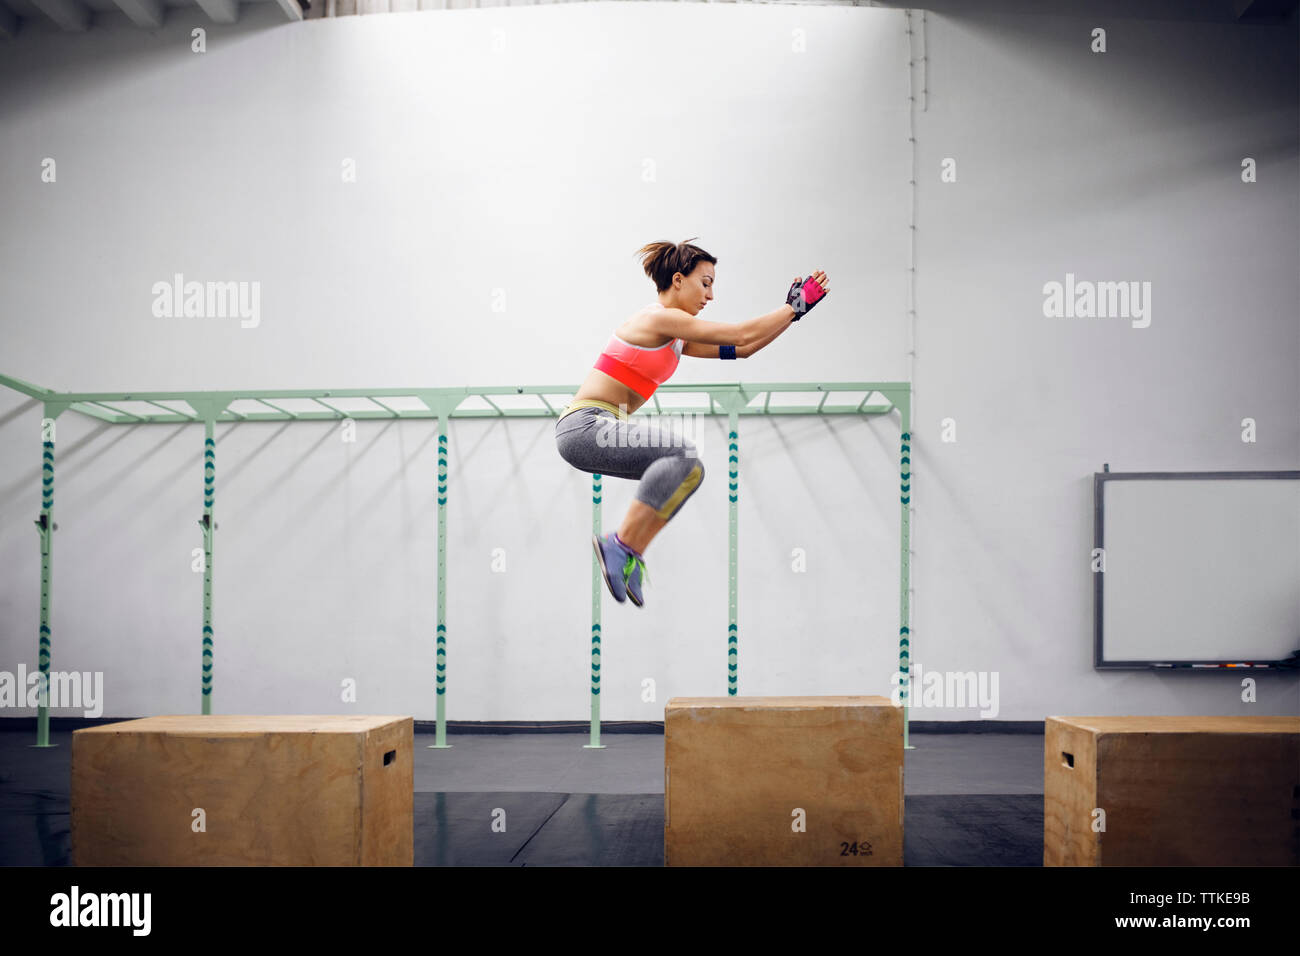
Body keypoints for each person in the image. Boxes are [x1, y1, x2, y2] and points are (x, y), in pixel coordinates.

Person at [554, 238, 828, 606]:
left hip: (595, 430)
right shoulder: (658, 318)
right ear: (678, 280)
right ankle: (616, 546)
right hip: (584, 427)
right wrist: (790, 306)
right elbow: (740, 333)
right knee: (681, 453)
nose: (710, 295)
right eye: (706, 283)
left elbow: (743, 349)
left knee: (689, 470)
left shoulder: (676, 337)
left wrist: (795, 314)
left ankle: (629, 553)